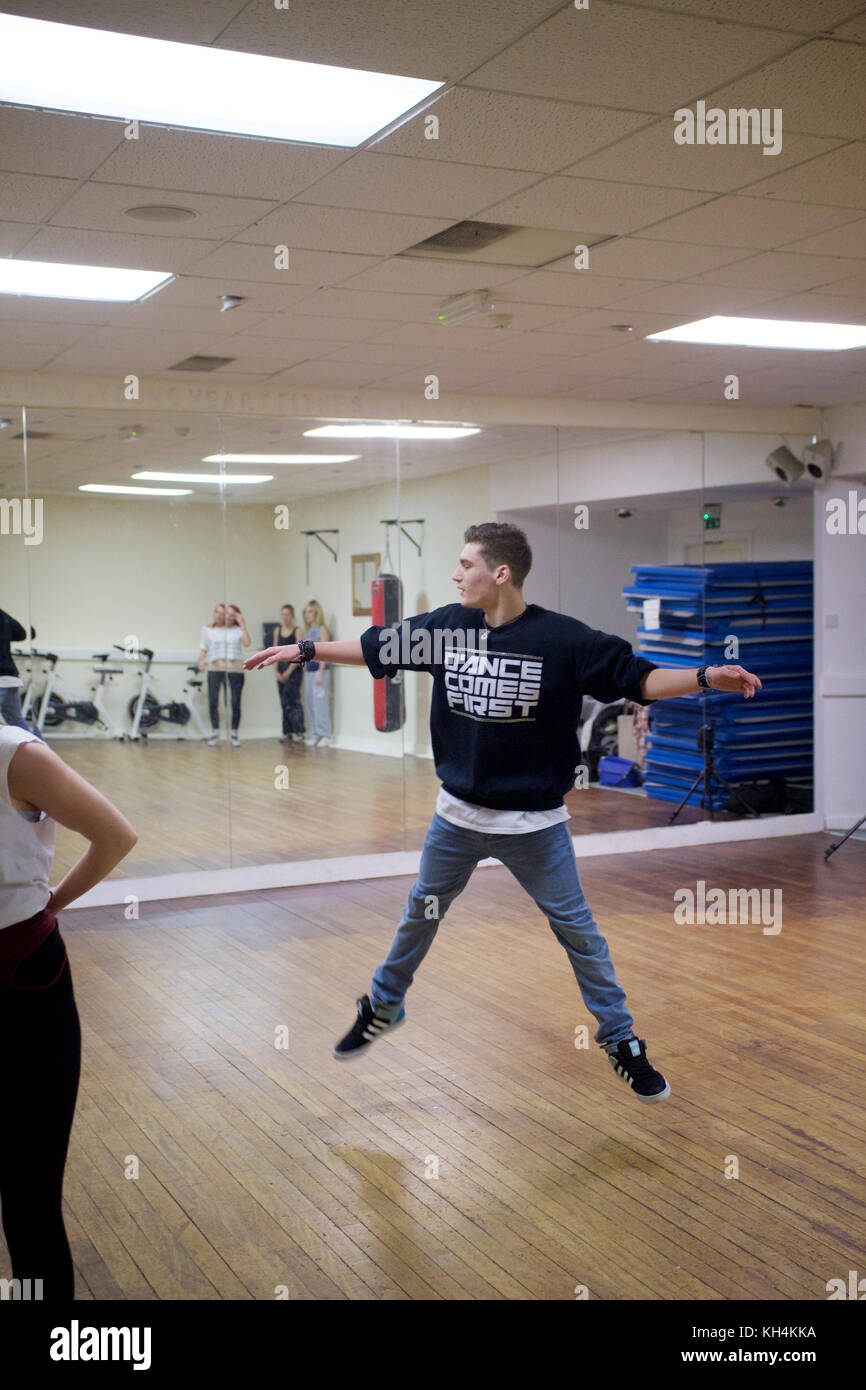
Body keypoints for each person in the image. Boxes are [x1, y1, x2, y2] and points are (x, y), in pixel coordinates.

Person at [244, 522, 761, 1103]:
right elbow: (377, 646)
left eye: (466, 564)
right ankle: (384, 1008)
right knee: (420, 915)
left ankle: (620, 1039)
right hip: (456, 819)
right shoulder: (445, 628)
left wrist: (703, 677)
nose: (456, 573)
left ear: (500, 573)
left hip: (533, 827)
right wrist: (307, 648)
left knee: (579, 934)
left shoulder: (563, 640)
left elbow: (636, 678)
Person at [0, 723, 137, 1299]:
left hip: (21, 972)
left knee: (29, 1195)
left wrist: (47, 903)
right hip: (23, 957)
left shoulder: (16, 754)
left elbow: (114, 836)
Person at [198, 603, 250, 747]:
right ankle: (215, 733)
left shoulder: (238, 630)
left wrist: (242, 623)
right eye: (226, 613)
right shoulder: (208, 630)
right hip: (215, 668)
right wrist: (201, 661)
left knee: (234, 702)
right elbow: (203, 648)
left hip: (235, 670)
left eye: (232, 615)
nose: (227, 617)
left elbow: (246, 642)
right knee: (213, 701)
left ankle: (234, 734)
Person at [0, 606, 42, 738]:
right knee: (16, 721)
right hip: (10, 677)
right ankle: (41, 748)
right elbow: (21, 634)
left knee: (15, 721)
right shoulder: (3, 615)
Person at [300, 601, 332, 747]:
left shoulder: (322, 630)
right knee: (310, 702)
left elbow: (326, 652)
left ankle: (325, 734)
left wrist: (320, 671)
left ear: (317, 613)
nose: (307, 615)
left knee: (320, 703)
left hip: (321, 671)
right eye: (306, 612)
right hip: (309, 671)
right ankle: (316, 734)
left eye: (310, 611)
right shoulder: (308, 632)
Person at [273, 605, 305, 744]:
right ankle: (287, 732)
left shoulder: (298, 631)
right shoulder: (277, 630)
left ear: (292, 615)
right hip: (280, 669)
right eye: (283, 614)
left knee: (294, 701)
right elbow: (274, 651)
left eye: (287, 614)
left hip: (294, 670)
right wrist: (276, 671)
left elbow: (299, 653)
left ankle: (299, 731)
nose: (285, 617)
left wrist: (288, 671)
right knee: (284, 702)